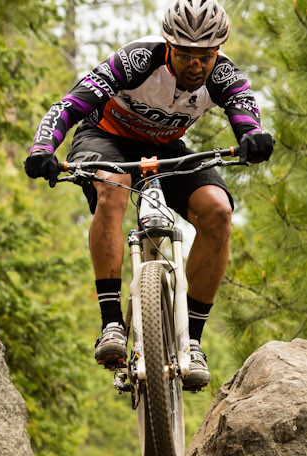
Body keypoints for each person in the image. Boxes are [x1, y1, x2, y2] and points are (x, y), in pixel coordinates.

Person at [22, 0, 273, 390]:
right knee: (113, 190)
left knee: (218, 211)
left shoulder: (224, 75)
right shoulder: (139, 59)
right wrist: (42, 149)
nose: (195, 65)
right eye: (186, 55)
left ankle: (191, 338)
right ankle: (110, 325)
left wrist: (252, 138)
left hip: (163, 148)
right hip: (104, 138)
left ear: (217, 52)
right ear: (169, 46)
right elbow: (69, 105)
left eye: (204, 57)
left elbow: (245, 114)